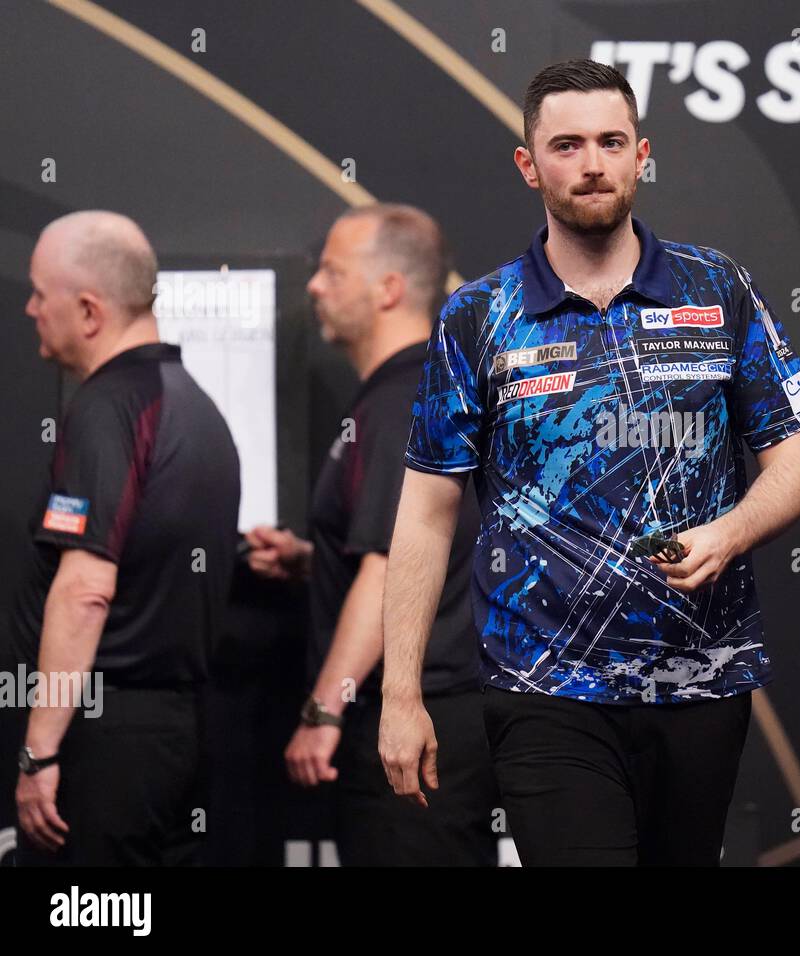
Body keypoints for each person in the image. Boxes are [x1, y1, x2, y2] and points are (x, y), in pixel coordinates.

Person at [380, 58, 800, 865]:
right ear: (529, 164)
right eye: (568, 144)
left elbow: (797, 464)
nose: (592, 163)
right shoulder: (477, 317)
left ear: (641, 153)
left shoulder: (716, 288)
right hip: (544, 686)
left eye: (612, 141)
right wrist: (400, 694)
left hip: (702, 680)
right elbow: (425, 512)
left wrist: (728, 535)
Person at [244, 204, 497, 866]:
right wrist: (313, 559)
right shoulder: (411, 393)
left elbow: (389, 569)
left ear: (388, 289)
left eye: (332, 271)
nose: (315, 286)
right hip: (433, 719)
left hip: (413, 725)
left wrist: (323, 712)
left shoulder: (399, 404)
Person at [12, 211, 241, 865]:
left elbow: (85, 589)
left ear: (88, 311)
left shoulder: (106, 408)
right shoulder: (197, 408)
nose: (29, 308)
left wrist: (40, 750)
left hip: (104, 745)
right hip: (177, 736)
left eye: (38, 293)